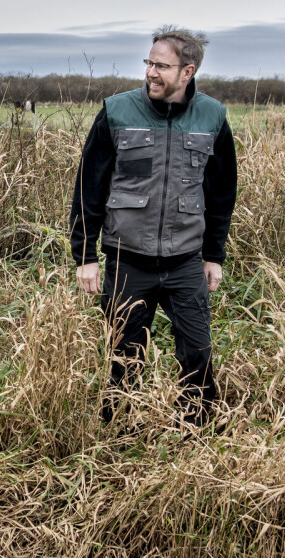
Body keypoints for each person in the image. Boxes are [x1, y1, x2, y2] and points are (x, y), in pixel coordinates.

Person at [68, 26, 237, 428]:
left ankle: (194, 432)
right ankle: (118, 436)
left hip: (184, 263)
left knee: (197, 353)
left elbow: (221, 194)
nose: (151, 73)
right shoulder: (117, 111)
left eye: (162, 65)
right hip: (128, 261)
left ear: (188, 71)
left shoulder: (213, 117)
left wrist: (214, 255)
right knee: (125, 356)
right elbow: (88, 187)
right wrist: (86, 257)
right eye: (149, 62)